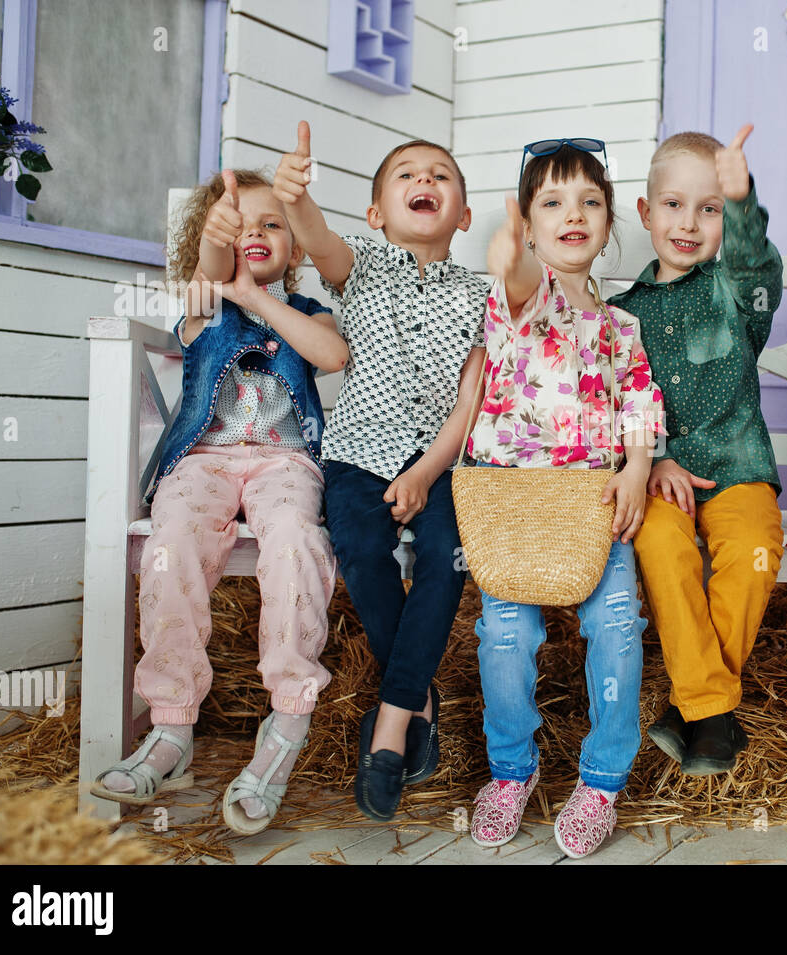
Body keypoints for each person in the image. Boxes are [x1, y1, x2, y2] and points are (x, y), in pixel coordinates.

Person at [92, 168, 349, 834]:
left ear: (292, 246)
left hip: (284, 462)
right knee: (169, 541)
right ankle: (171, 727)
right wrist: (218, 237)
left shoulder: (302, 310)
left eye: (272, 225)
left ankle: (288, 719)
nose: (257, 233)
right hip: (203, 460)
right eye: (243, 224)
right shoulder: (205, 302)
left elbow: (332, 352)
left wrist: (263, 300)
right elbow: (210, 270)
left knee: (296, 539)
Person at [274, 121, 488, 820]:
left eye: (440, 176)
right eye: (406, 175)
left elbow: (472, 398)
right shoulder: (357, 265)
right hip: (360, 451)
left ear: (460, 212)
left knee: (444, 557)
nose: (424, 181)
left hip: (446, 458)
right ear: (375, 214)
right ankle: (419, 694)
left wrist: (428, 469)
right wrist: (296, 197)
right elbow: (317, 240)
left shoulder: (480, 295)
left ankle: (391, 726)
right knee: (360, 547)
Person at [467, 140, 664, 858]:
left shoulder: (621, 327)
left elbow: (642, 403)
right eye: (551, 201)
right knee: (506, 636)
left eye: (588, 201)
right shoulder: (523, 298)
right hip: (513, 499)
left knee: (616, 624)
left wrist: (638, 467)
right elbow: (519, 281)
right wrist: (512, 252)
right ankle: (511, 770)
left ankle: (603, 778)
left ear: (609, 223)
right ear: (528, 221)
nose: (572, 214)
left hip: (594, 500)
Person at [609, 127, 784, 775]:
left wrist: (742, 203)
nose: (689, 222)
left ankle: (697, 707)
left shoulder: (736, 293)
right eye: (674, 205)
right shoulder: (619, 317)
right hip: (658, 475)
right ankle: (714, 714)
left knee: (754, 550)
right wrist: (651, 458)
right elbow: (609, 406)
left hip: (738, 467)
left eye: (709, 209)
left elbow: (757, 265)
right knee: (659, 543)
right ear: (645, 212)